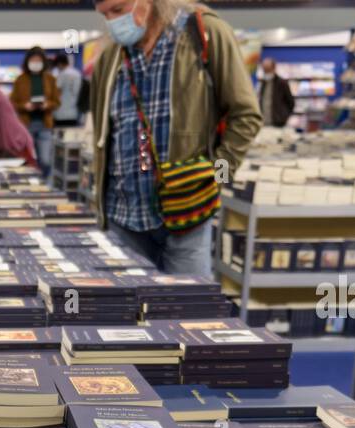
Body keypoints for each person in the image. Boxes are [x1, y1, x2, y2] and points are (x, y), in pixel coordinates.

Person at [89, 0, 261, 277]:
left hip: (187, 214)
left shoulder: (205, 33)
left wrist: (216, 177)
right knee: (124, 317)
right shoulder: (111, 56)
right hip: (122, 216)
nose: (111, 22)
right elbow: (103, 131)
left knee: (189, 312)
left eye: (118, 10)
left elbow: (246, 114)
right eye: (104, 14)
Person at [10, 46, 60, 173]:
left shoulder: (50, 79)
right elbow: (12, 102)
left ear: (43, 62)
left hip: (45, 125)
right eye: (33, 60)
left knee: (46, 160)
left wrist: (47, 104)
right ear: (27, 61)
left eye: (38, 60)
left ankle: (45, 186)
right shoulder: (20, 80)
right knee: (27, 160)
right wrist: (24, 106)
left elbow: (57, 101)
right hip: (26, 125)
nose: (35, 63)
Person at [257, 57, 295, 128]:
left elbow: (291, 102)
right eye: (264, 70)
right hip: (264, 122)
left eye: (268, 69)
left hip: (278, 123)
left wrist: (284, 117)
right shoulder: (263, 83)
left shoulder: (282, 83)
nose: (266, 72)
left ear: (273, 68)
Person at [52, 53, 82, 127]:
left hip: (60, 113)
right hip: (74, 113)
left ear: (59, 64)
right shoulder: (77, 74)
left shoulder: (61, 75)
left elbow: (56, 91)